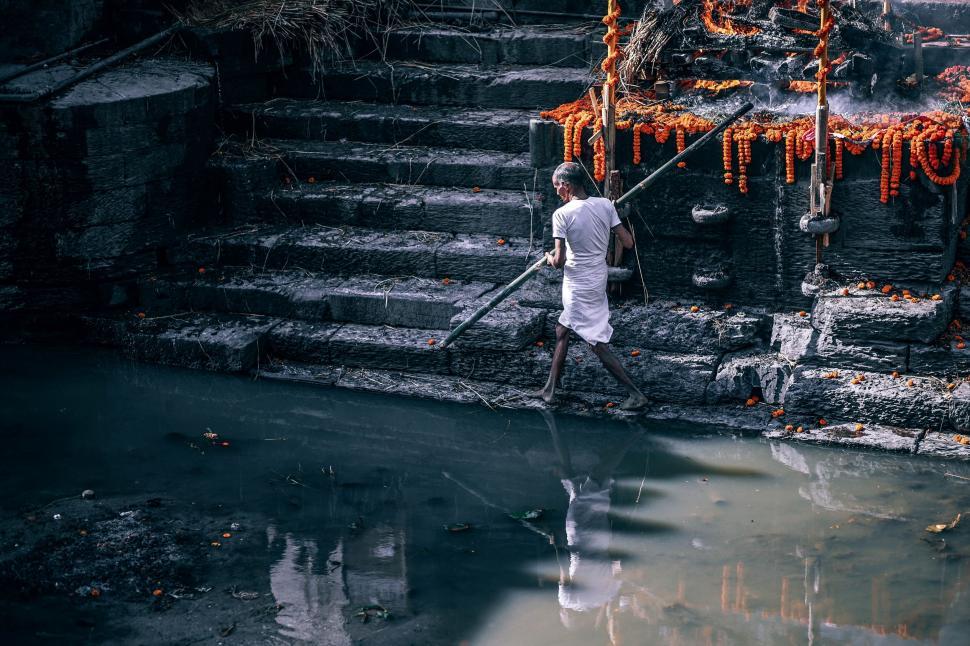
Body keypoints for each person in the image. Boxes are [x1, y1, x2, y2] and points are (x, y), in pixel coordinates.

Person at [533, 162, 648, 411]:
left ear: (566, 185)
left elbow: (560, 260)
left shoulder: (562, 214)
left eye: (557, 187)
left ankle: (635, 394)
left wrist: (549, 257)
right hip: (597, 275)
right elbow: (627, 242)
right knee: (562, 330)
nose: (556, 192)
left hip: (577, 282)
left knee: (595, 341)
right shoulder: (605, 205)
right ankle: (549, 389)